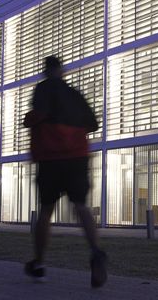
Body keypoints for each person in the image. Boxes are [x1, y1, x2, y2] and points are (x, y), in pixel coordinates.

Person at [23, 55, 107, 287]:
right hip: (77, 157)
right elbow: (93, 123)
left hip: (50, 158)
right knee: (81, 205)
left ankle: (39, 264)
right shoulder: (74, 94)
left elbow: (37, 115)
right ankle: (96, 252)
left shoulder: (43, 89)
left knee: (46, 210)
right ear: (62, 71)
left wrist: (30, 121)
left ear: (46, 71)